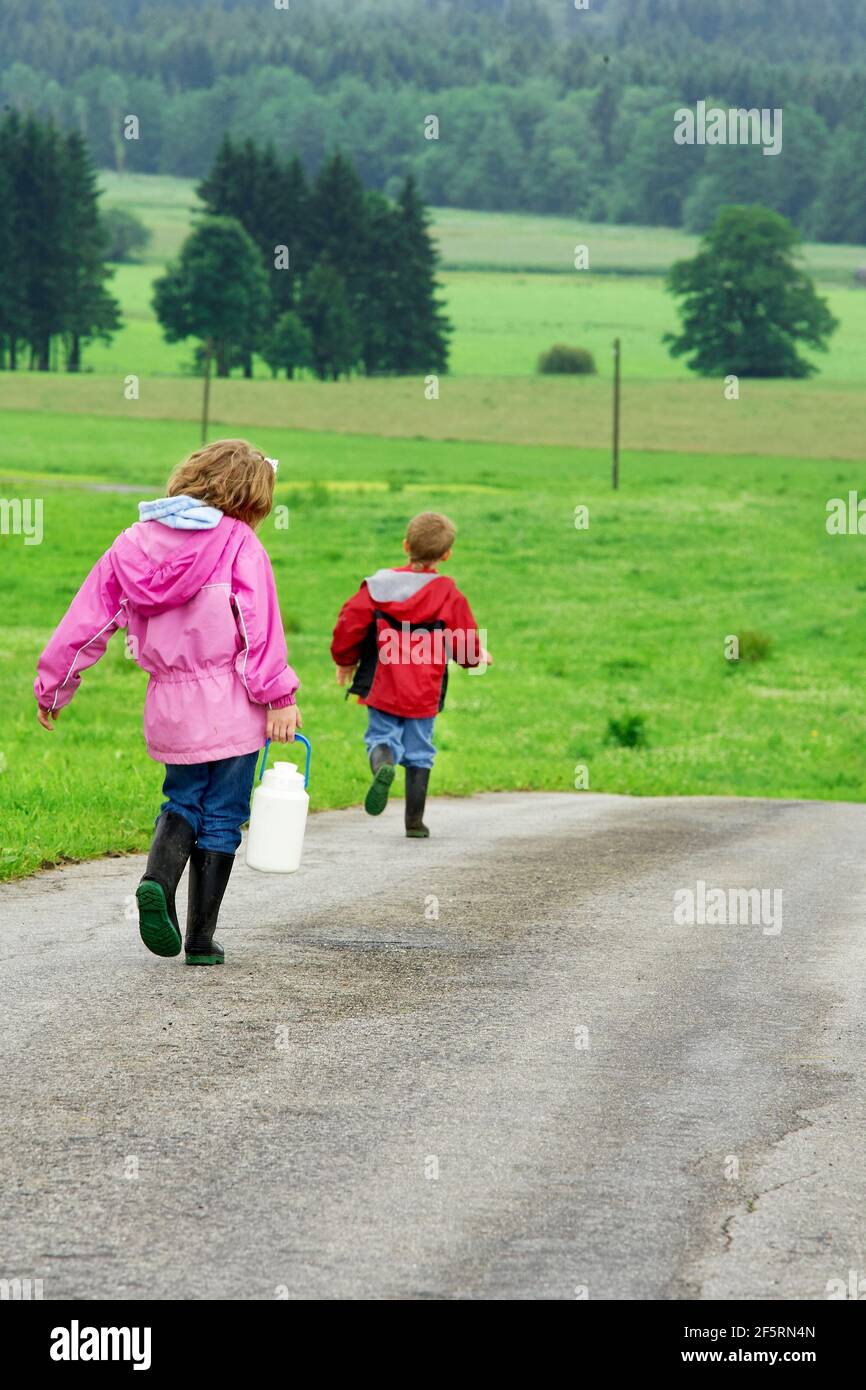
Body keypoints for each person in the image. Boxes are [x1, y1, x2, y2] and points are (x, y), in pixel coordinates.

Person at [34, 439, 301, 966]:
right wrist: (279, 696)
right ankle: (201, 941)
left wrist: (55, 684)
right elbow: (258, 629)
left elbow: (87, 622)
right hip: (232, 704)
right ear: (250, 499)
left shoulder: (131, 543)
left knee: (181, 802)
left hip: (170, 707)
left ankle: (157, 879)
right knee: (223, 814)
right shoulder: (240, 545)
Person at [331, 511, 491, 838]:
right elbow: (465, 641)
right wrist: (477, 658)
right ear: (446, 555)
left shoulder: (378, 585)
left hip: (383, 684)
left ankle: (384, 764)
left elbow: (350, 623)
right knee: (421, 750)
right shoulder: (448, 593)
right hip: (424, 690)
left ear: (405, 545)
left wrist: (344, 660)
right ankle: (414, 822)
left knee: (380, 737)